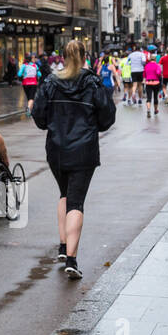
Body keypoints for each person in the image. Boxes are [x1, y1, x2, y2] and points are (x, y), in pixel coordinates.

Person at [32, 39, 116, 280]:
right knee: (76, 202)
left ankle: (62, 245)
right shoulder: (93, 83)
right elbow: (107, 117)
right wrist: (92, 126)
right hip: (83, 150)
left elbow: (38, 116)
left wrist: (54, 125)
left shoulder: (50, 82)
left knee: (64, 194)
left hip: (56, 149)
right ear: (83, 56)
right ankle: (71, 257)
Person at [142, 51, 163, 117]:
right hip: (156, 82)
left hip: (148, 83)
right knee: (155, 97)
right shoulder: (157, 65)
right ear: (155, 59)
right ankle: (155, 110)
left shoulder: (146, 66)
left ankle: (148, 110)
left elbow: (144, 75)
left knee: (149, 98)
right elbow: (158, 73)